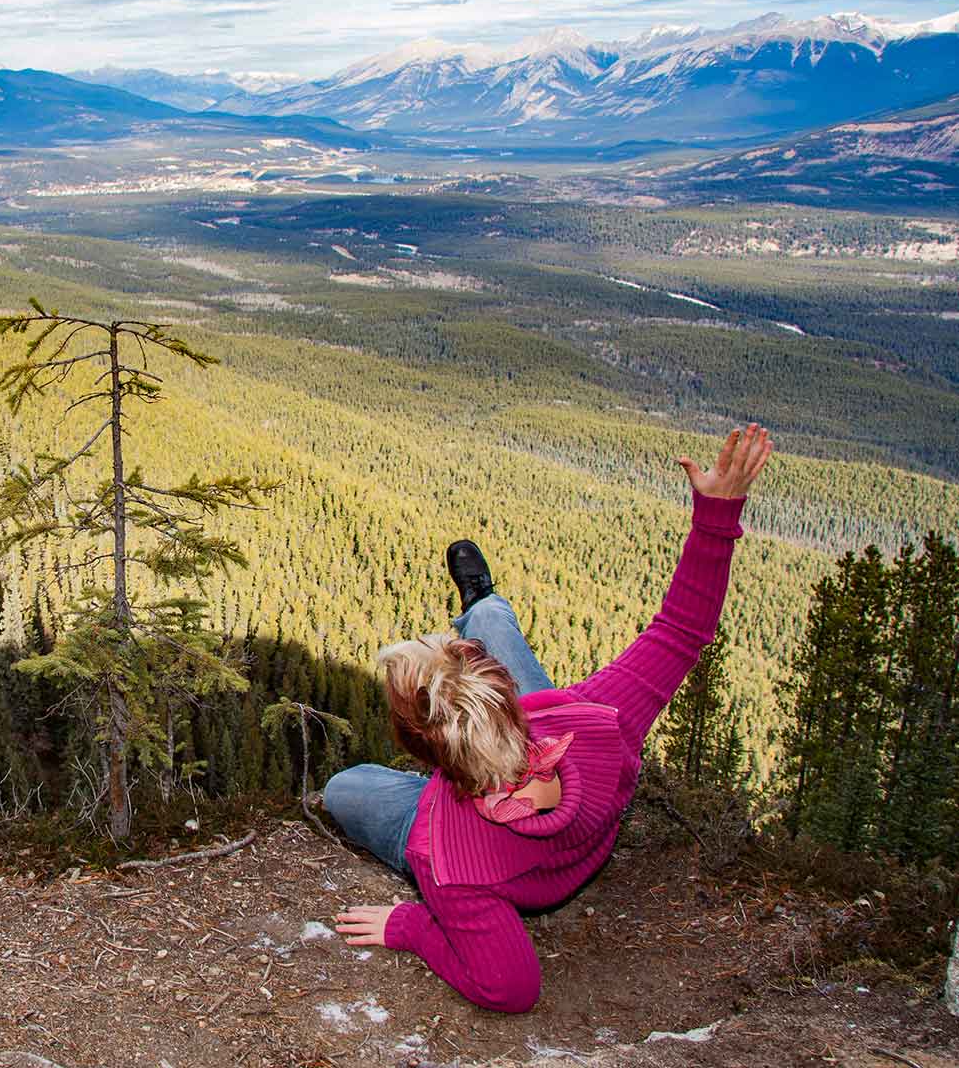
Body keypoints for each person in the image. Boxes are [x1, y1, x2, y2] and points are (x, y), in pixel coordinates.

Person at [323, 423, 773, 1014]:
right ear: (505, 693)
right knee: (490, 621)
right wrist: (717, 511)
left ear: (423, 750)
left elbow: (511, 990)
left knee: (344, 788)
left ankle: (478, 630)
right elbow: (681, 631)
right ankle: (482, 607)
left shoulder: (449, 864)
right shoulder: (594, 720)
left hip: (455, 822)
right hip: (554, 778)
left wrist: (410, 925)